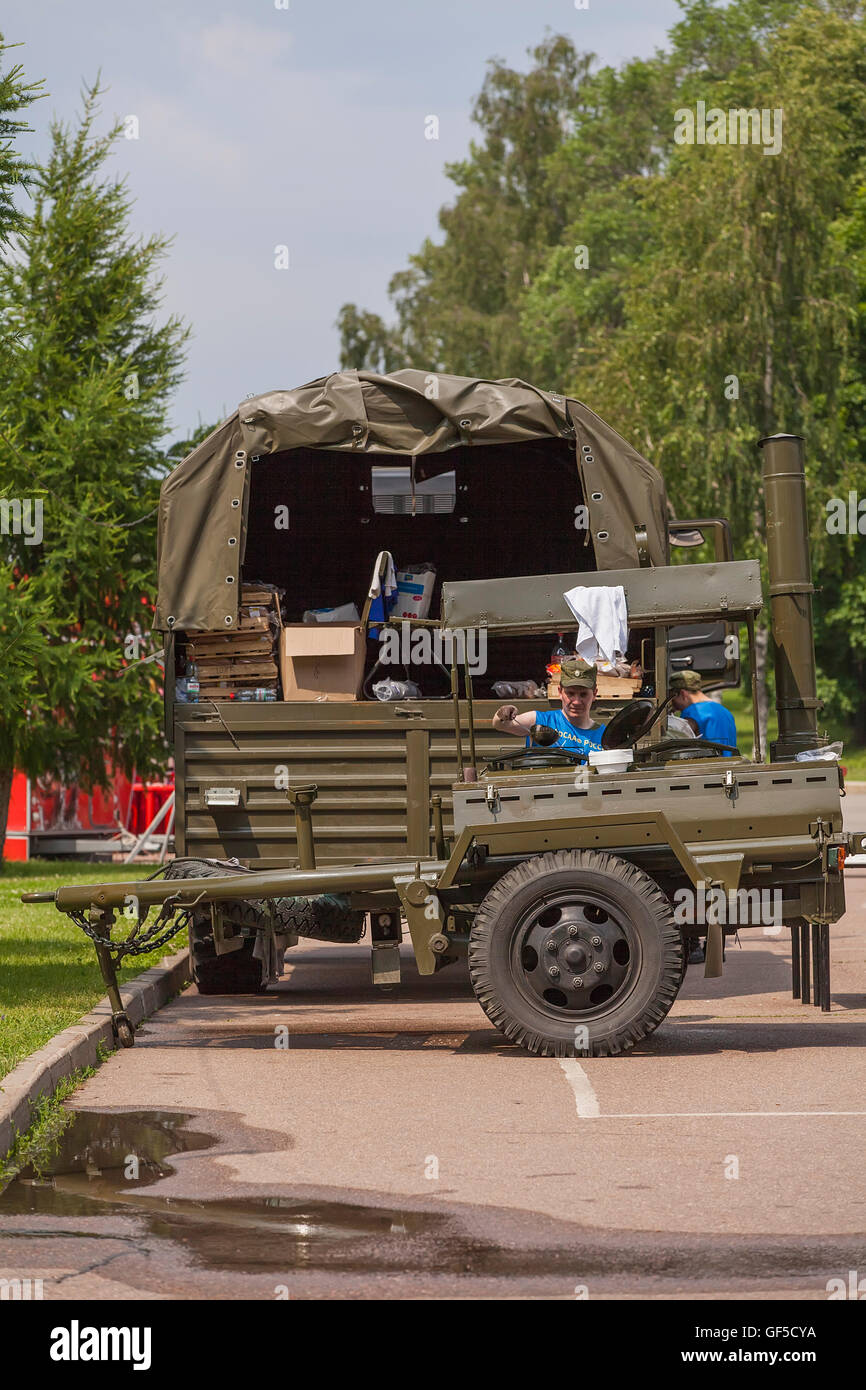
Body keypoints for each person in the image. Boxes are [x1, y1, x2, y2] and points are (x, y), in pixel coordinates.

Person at [492, 657, 606, 755]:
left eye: (583, 694)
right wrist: (503, 713)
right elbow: (500, 725)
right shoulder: (540, 721)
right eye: (570, 694)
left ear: (594, 694)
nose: (576, 701)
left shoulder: (605, 736)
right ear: (560, 692)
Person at [669, 671, 738, 754]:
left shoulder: (692, 713)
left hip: (710, 765)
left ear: (683, 694)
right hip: (731, 763)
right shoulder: (725, 711)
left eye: (673, 698)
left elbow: (678, 740)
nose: (672, 703)